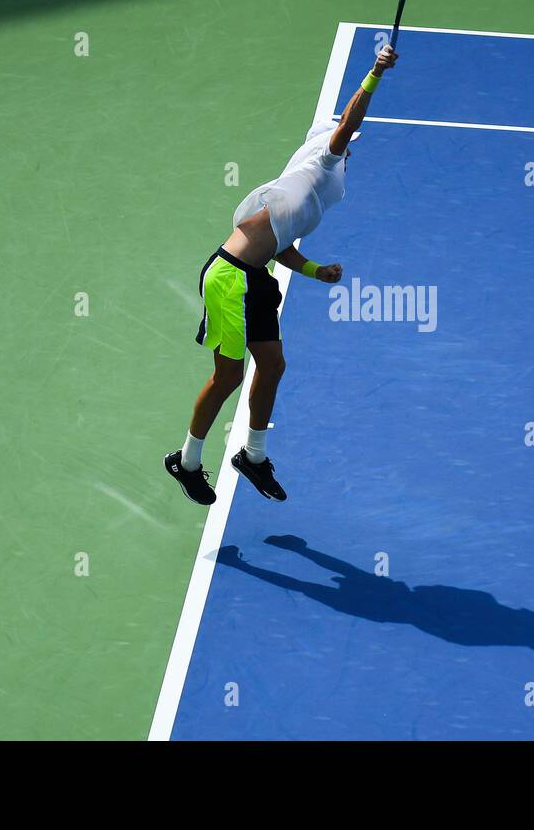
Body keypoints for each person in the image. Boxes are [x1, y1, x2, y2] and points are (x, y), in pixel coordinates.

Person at [165, 44, 401, 505]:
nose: (350, 150)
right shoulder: (321, 165)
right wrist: (375, 72)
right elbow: (349, 122)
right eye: (346, 145)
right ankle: (187, 461)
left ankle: (252, 455)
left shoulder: (307, 189)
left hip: (254, 280)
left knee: (272, 365)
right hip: (230, 278)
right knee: (228, 377)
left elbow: (281, 247)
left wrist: (315, 270)